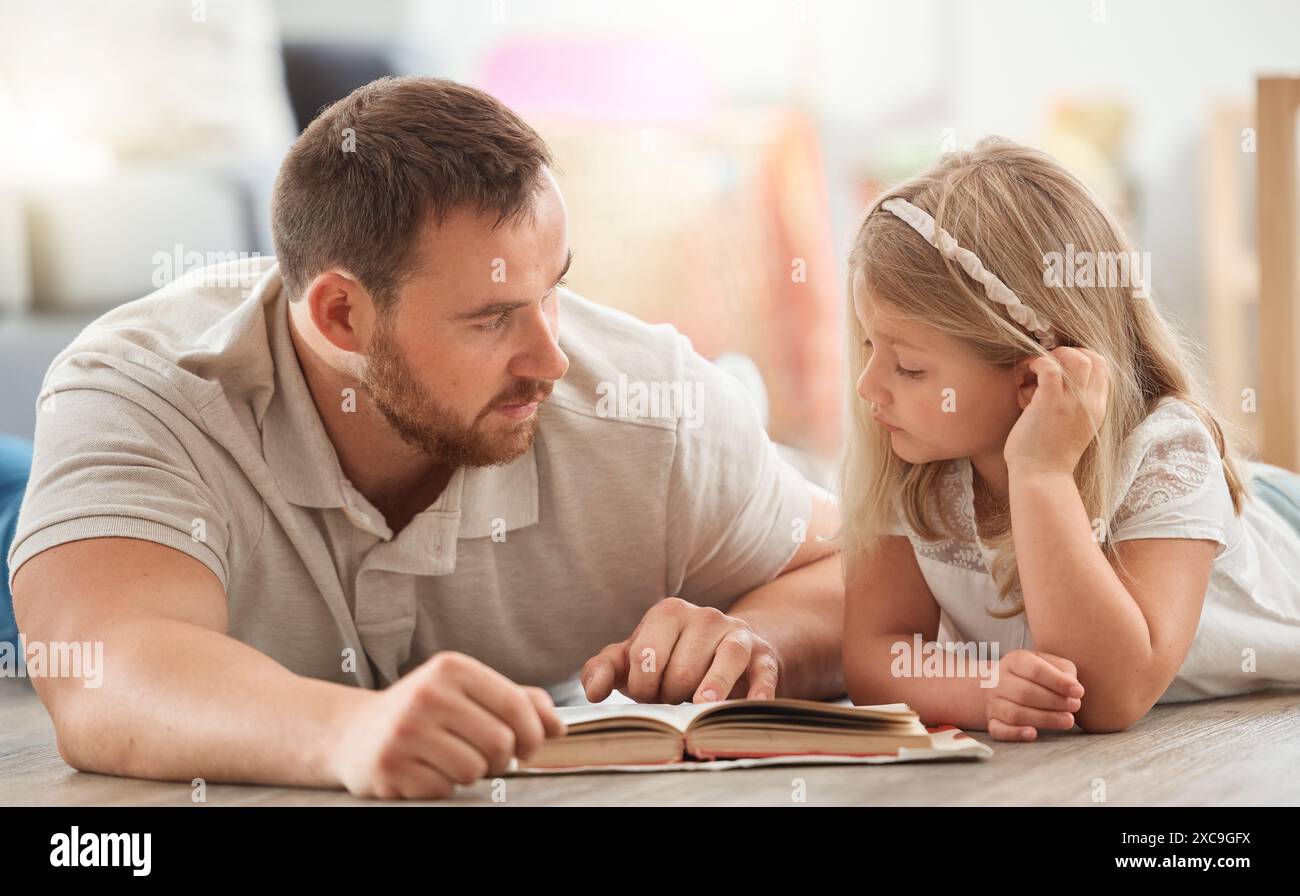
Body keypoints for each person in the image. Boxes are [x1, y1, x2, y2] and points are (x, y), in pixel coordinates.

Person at [8, 77, 843, 800]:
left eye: (551, 290)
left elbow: (857, 565)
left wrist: (760, 640)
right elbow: (100, 670)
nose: (550, 359)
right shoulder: (141, 391)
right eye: (489, 319)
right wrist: (346, 732)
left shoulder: (650, 409)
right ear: (341, 315)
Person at [839, 137, 1300, 741]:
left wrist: (1042, 475)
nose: (869, 386)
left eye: (909, 368)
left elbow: (1111, 694)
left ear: (1037, 375)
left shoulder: (1165, 451)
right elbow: (876, 653)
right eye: (870, 346)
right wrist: (983, 691)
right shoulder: (915, 451)